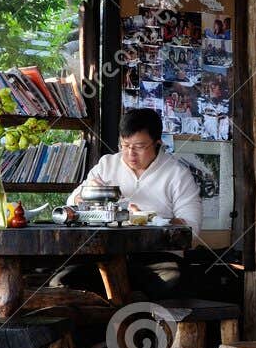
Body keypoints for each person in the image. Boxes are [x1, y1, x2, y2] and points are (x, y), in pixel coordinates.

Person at [62, 107, 201, 297]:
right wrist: (88, 193)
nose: (130, 154)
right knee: (64, 280)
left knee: (172, 280)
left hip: (156, 257)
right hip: (106, 252)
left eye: (139, 147)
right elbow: (71, 202)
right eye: (125, 145)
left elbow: (192, 232)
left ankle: (149, 325)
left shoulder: (177, 174)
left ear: (158, 143)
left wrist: (148, 218)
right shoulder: (107, 164)